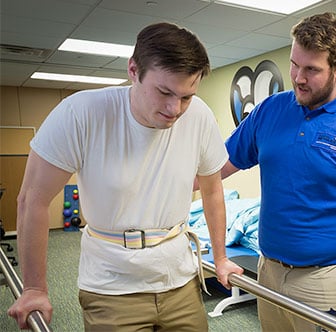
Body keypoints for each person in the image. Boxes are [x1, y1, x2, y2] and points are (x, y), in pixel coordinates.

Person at [8, 22, 243, 331]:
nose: (175, 109)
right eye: (164, 92)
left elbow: (213, 191)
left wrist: (222, 257)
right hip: (111, 287)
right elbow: (32, 200)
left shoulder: (198, 115)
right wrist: (34, 289)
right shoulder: (82, 113)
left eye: (186, 96)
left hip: (180, 281)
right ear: (133, 70)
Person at [221, 12, 336, 331]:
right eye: (294, 64)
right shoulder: (269, 111)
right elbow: (217, 166)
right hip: (269, 270)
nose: (298, 77)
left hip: (327, 279)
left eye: (311, 70)